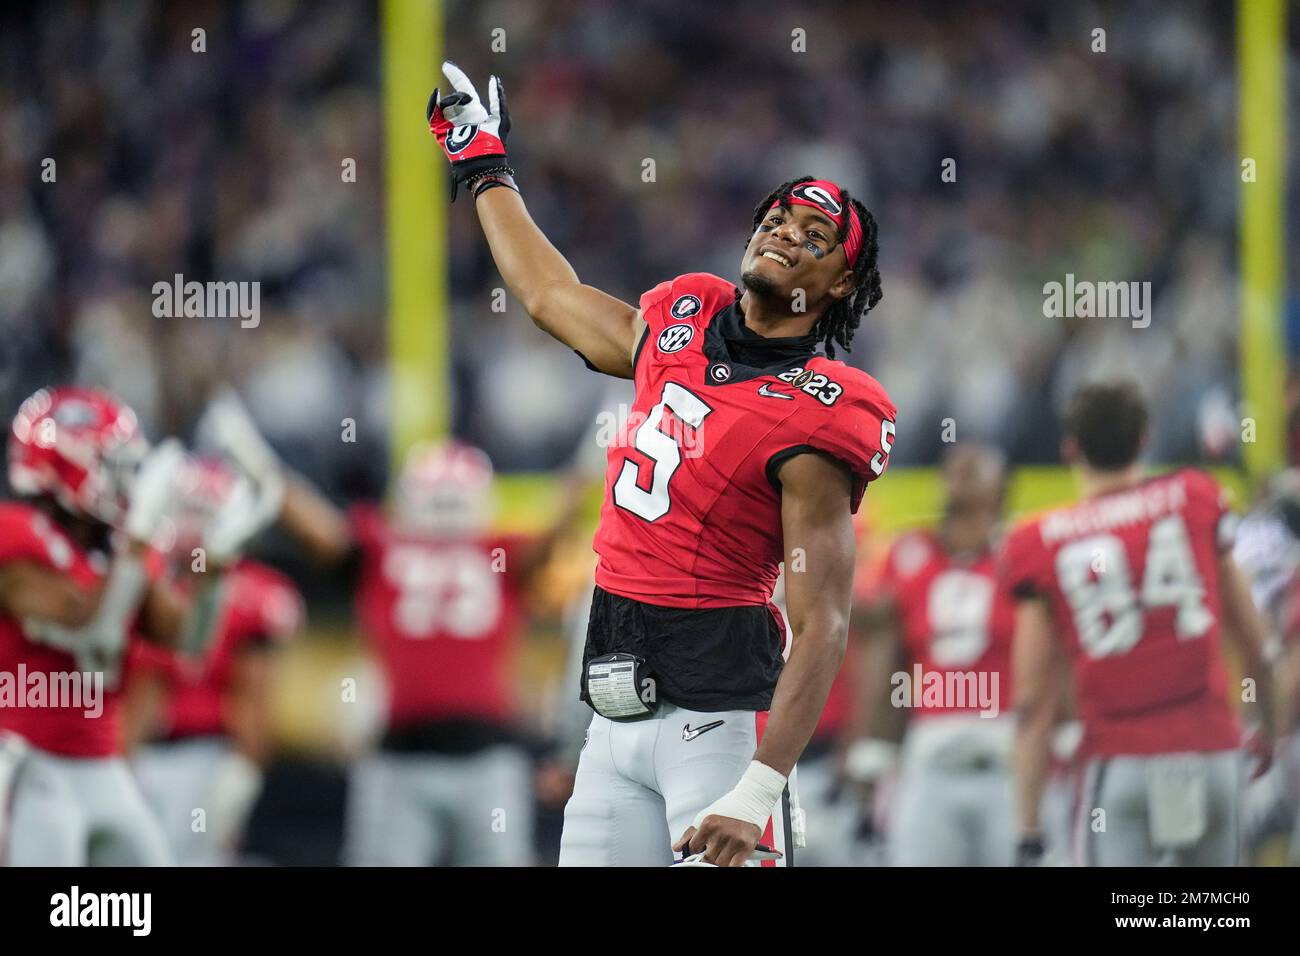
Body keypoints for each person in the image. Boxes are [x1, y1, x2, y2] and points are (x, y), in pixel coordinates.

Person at [428, 63, 896, 866]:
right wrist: (482, 162)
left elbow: (824, 622)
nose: (786, 235)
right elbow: (549, 295)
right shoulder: (684, 318)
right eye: (778, 219)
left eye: (813, 237)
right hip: (613, 720)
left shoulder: (824, 406)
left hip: (719, 721)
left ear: (841, 281)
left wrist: (757, 791)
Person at [202, 393, 582, 866]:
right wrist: (591, 460)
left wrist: (253, 459)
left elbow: (313, 526)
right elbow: (558, 524)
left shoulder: (386, 549)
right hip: (468, 756)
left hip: (418, 757)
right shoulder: (496, 553)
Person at [1003, 381, 1275, 866]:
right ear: (1146, 438)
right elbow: (1254, 636)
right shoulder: (1195, 495)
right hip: (1211, 751)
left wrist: (1028, 825)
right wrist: (1268, 728)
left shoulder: (1040, 539)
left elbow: (1032, 699)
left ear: (1071, 448)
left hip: (1119, 761)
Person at [0, 386, 260, 865]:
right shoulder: (15, 531)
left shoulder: (120, 548)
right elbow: (88, 626)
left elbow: (190, 640)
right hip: (29, 764)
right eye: (113, 467)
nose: (127, 484)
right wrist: (138, 539)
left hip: (103, 765)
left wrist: (216, 567)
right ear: (66, 465)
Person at [125, 456, 303, 866]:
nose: (192, 526)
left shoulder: (253, 594)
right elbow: (139, 691)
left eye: (203, 513)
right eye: (185, 510)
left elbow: (254, 699)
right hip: (140, 755)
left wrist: (244, 770)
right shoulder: (143, 577)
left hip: (205, 754)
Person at [849, 444, 1016, 865]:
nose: (961, 474)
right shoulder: (911, 553)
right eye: (955, 469)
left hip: (1008, 755)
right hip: (930, 754)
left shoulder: (1018, 556)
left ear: (1001, 489)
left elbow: (1047, 654)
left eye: (975, 469)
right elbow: (886, 655)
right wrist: (873, 744)